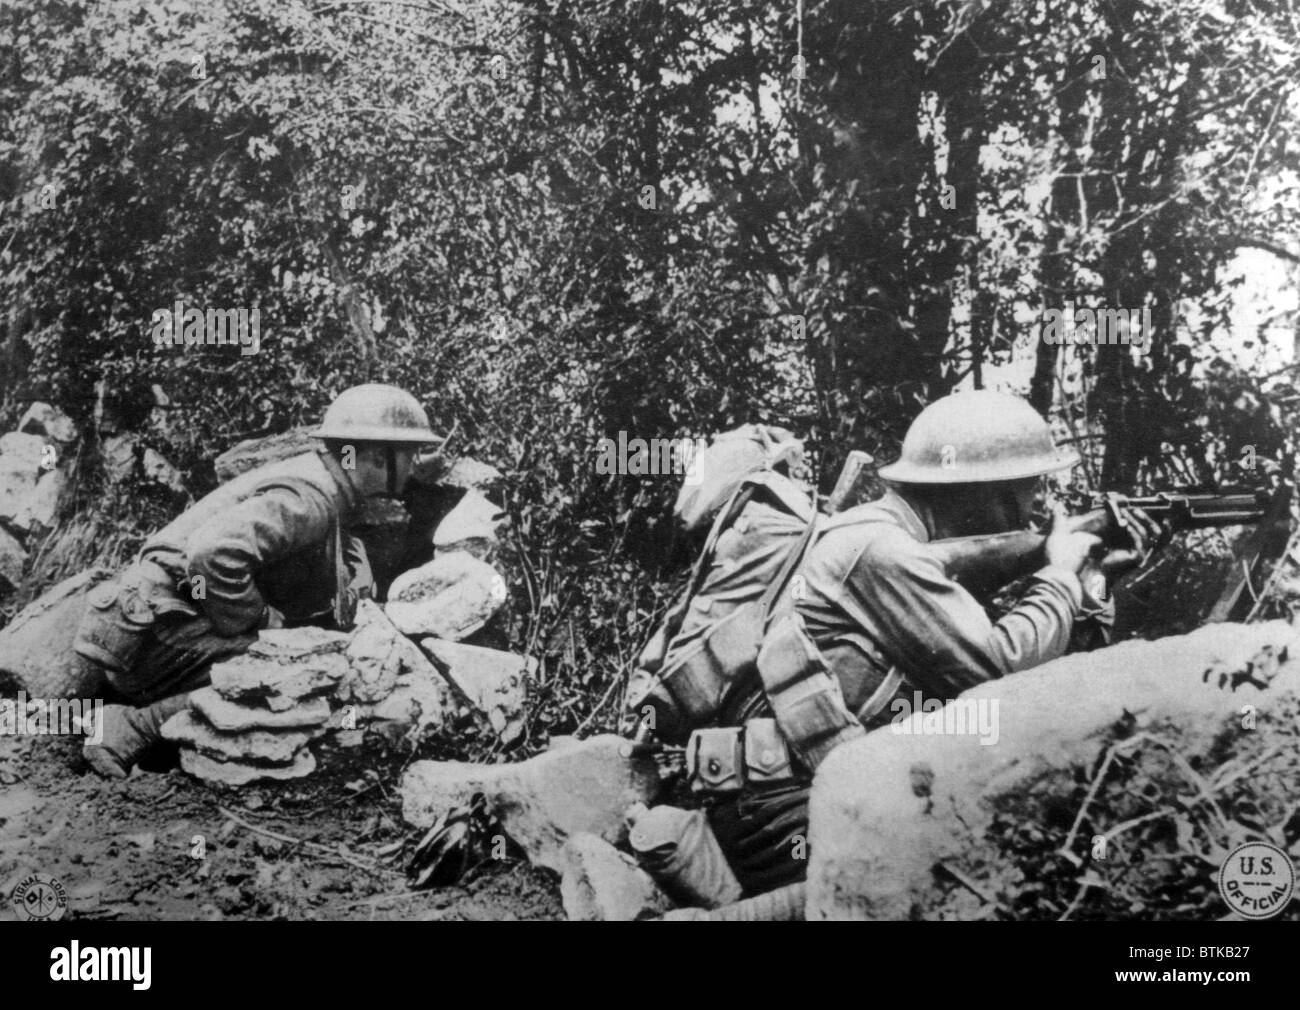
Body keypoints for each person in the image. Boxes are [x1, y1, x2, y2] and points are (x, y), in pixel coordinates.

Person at [697, 390, 1159, 894]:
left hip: (808, 794)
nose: (1038, 507)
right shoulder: (880, 549)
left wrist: (1094, 583)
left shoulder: (897, 543)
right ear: (985, 490)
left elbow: (1045, 689)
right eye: (1031, 488)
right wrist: (1061, 575)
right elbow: (999, 675)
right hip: (781, 812)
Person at [76, 383, 442, 779]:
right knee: (292, 676)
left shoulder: (318, 480)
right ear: (374, 456)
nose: (414, 465)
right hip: (156, 640)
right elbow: (210, 554)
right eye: (409, 453)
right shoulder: (310, 500)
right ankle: (130, 728)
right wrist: (260, 619)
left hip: (149, 629)